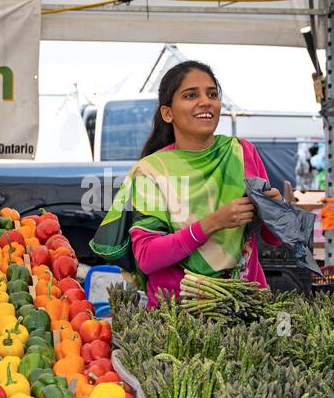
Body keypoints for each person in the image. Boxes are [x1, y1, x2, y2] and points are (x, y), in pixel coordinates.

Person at [90, 60, 280, 305]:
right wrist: (213, 222)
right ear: (167, 113)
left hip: (246, 305)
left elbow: (272, 239)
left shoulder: (242, 152)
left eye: (212, 94)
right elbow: (147, 257)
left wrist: (275, 210)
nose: (205, 101)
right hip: (177, 314)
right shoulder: (151, 170)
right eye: (191, 95)